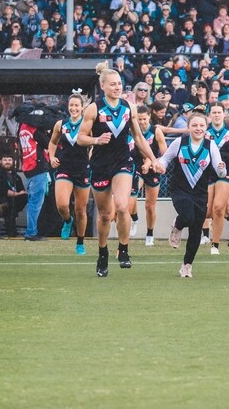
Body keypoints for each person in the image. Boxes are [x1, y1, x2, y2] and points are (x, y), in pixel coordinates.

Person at [77, 62, 163, 277]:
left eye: (119, 83)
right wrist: (96, 140)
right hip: (100, 165)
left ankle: (123, 249)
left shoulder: (128, 107)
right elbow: (80, 138)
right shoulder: (93, 108)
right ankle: (102, 253)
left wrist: (153, 159)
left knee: (123, 206)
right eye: (113, 84)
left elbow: (138, 137)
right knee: (105, 215)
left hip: (123, 162)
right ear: (103, 86)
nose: (117, 87)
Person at [160, 109, 229, 277]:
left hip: (200, 193)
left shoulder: (210, 145)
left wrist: (222, 168)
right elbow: (166, 158)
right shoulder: (180, 142)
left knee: (196, 231)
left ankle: (187, 265)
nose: (198, 128)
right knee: (187, 216)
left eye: (202, 125)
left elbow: (221, 172)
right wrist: (160, 165)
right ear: (188, 127)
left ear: (206, 127)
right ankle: (178, 224)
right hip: (180, 189)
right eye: (195, 125)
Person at [48, 93, 92, 254]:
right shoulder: (61, 124)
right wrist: (51, 157)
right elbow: (53, 142)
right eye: (71, 105)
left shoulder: (87, 124)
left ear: (82, 107)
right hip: (64, 168)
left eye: (76, 105)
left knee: (80, 210)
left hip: (82, 170)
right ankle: (67, 220)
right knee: (62, 204)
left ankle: (80, 242)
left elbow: (93, 144)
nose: (73, 108)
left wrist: (91, 157)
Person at [206, 102, 229, 254]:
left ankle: (215, 245)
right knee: (207, 212)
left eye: (219, 112)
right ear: (209, 115)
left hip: (226, 172)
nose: (216, 115)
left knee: (219, 208)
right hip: (207, 173)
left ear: (224, 113)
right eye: (213, 112)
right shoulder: (204, 132)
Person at [133, 105, 167, 246]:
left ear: (149, 117)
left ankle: (149, 234)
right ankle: (134, 217)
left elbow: (165, 154)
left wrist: (153, 162)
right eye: (139, 119)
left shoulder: (156, 131)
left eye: (144, 119)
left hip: (153, 169)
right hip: (137, 167)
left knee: (150, 206)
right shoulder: (133, 130)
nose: (142, 122)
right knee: (132, 195)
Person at [17, 106, 53, 241]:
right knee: (36, 203)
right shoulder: (34, 129)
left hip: (28, 168)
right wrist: (48, 132)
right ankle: (31, 232)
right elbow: (48, 144)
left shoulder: (21, 128)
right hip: (38, 168)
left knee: (33, 201)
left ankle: (32, 231)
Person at [0, 153, 27, 237]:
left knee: (23, 197)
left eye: (9, 160)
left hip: (11, 204)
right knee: (10, 208)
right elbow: (2, 191)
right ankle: (12, 233)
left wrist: (20, 194)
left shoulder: (16, 176)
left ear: (13, 162)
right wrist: (17, 194)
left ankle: (11, 233)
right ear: (0, 161)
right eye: (5, 160)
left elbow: (22, 191)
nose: (7, 162)